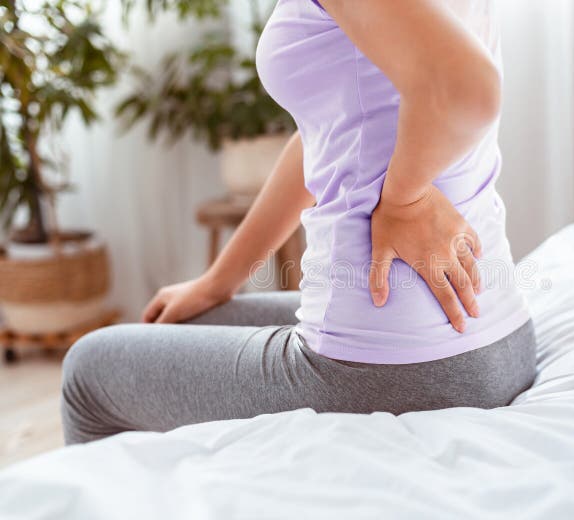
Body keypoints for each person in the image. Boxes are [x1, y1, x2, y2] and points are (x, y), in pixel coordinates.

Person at [61, 0, 535, 445]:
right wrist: (217, 282)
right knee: (180, 322)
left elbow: (465, 87)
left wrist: (405, 202)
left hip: (388, 367)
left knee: (88, 371)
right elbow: (328, 134)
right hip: (499, 339)